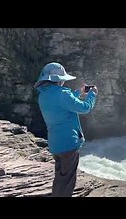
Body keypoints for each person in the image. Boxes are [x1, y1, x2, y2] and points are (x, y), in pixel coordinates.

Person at [34, 62, 98, 197]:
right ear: (59, 80)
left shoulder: (43, 95)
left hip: (55, 144)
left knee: (60, 178)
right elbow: (84, 108)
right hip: (69, 143)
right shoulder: (63, 94)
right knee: (68, 181)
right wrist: (91, 95)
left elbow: (62, 101)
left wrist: (78, 93)